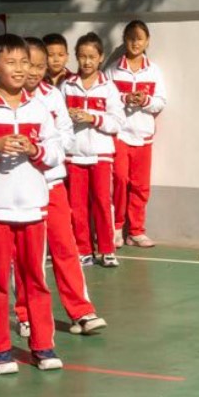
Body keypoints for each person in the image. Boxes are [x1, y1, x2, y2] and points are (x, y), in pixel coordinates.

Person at [0, 34, 63, 375]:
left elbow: (55, 154)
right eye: (12, 62)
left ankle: (42, 344)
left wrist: (35, 150)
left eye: (25, 62)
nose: (20, 69)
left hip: (35, 207)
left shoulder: (40, 107)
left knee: (35, 278)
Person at [15, 38, 101, 338]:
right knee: (27, 254)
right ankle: (25, 313)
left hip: (51, 184)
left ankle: (81, 311)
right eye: (29, 65)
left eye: (40, 66)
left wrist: (40, 147)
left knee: (66, 248)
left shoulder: (53, 95)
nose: (35, 72)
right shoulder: (3, 100)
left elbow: (65, 137)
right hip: (20, 190)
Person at [62, 32, 120, 266]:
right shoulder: (67, 86)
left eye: (91, 57)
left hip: (101, 155)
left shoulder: (109, 87)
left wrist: (92, 117)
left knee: (102, 203)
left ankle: (107, 250)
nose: (86, 62)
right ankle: (83, 249)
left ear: (100, 58)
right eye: (82, 56)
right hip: (74, 155)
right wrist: (69, 117)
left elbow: (117, 122)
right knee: (76, 207)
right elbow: (55, 118)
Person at [106, 20, 164, 248]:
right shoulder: (112, 70)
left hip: (143, 136)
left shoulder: (154, 70)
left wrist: (146, 100)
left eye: (139, 38)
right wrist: (125, 98)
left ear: (147, 41)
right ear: (124, 40)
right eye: (130, 37)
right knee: (119, 180)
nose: (135, 43)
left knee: (140, 186)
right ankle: (117, 228)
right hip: (119, 134)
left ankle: (136, 231)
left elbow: (161, 101)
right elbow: (105, 99)